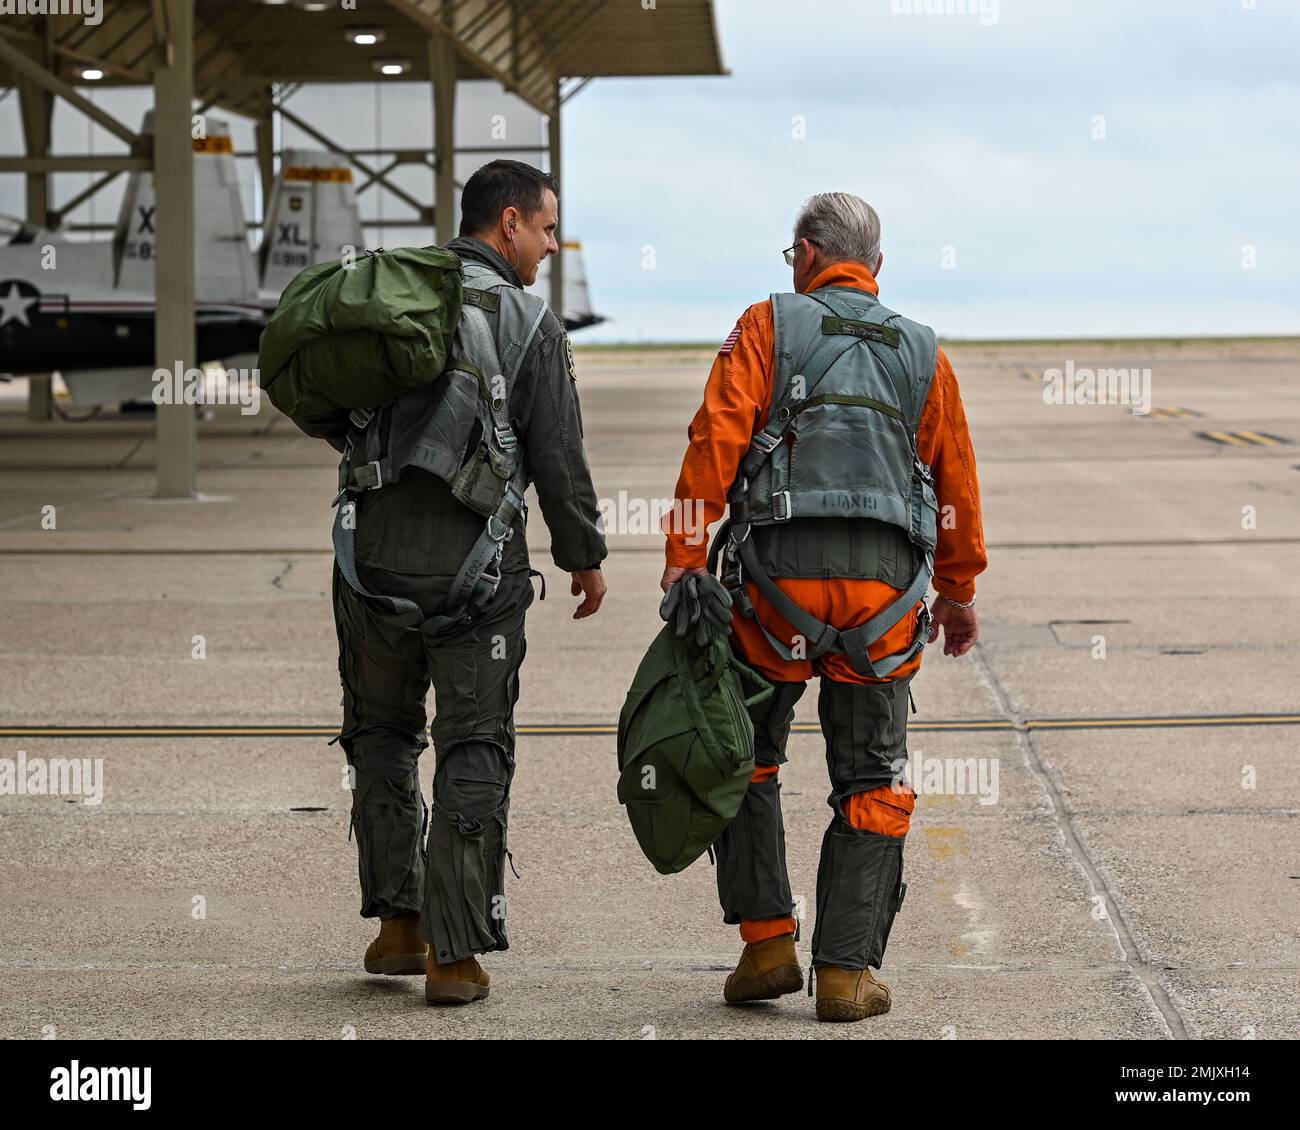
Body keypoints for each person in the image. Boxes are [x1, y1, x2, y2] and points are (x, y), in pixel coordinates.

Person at [662, 191, 986, 1022]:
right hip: (885, 603)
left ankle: (768, 946)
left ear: (806, 254)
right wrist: (958, 591)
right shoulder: (925, 353)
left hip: (773, 598)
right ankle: (844, 975)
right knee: (871, 777)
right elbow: (955, 486)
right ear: (873, 266)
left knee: (746, 757)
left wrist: (683, 561)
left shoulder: (768, 327)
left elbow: (714, 443)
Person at [305, 160, 607, 1005]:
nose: (549, 248)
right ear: (508, 223)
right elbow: (557, 454)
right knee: (472, 744)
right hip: (477, 576)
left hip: (368, 562)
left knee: (380, 738)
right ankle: (453, 954)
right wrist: (583, 553)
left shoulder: (388, 296)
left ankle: (397, 927)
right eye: (546, 230)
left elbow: (326, 404)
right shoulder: (527, 321)